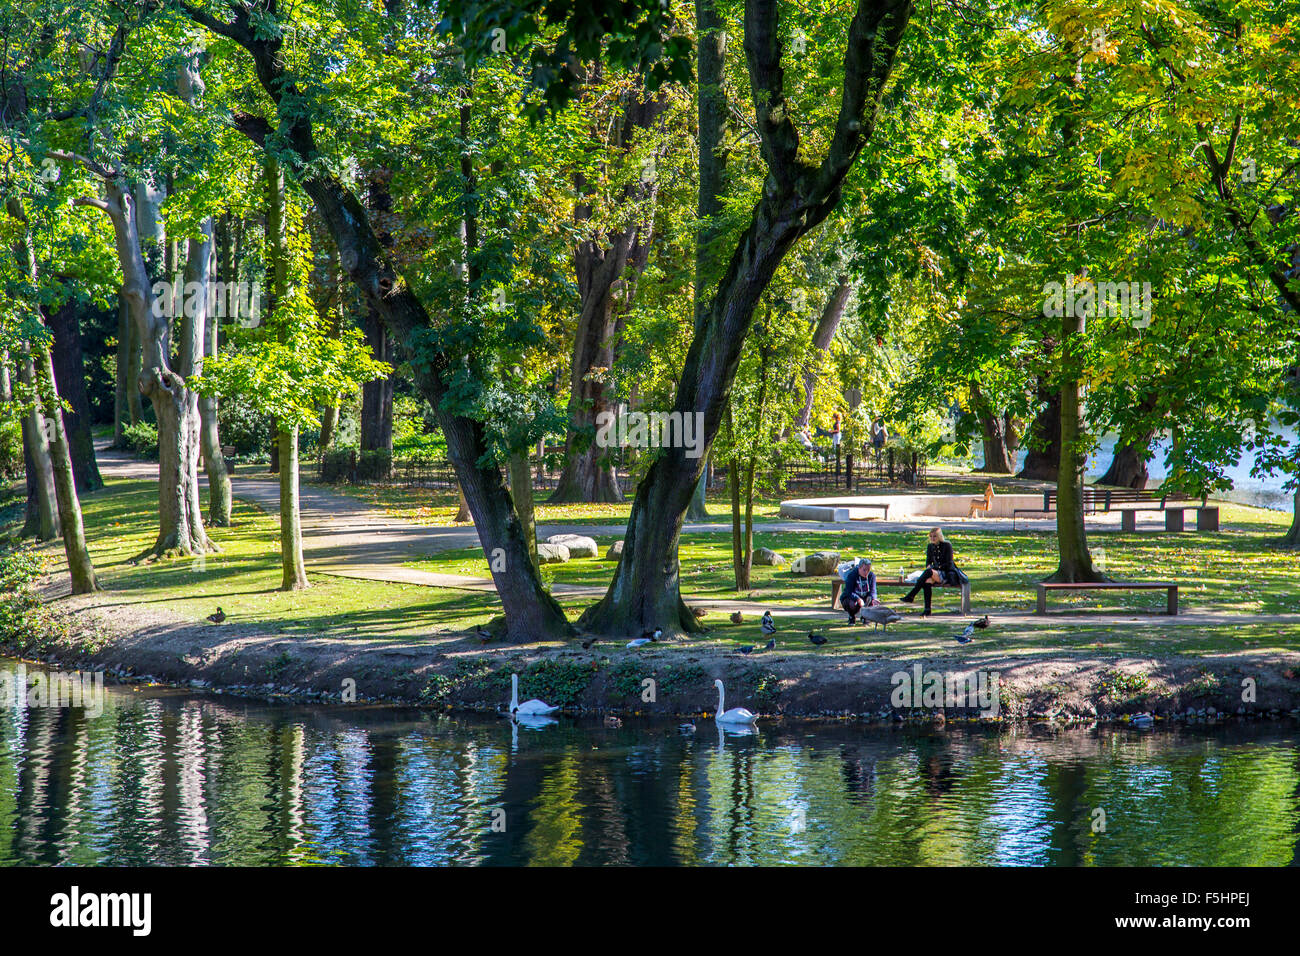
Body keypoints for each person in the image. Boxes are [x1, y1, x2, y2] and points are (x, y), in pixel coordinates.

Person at [901, 528, 960, 616]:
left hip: (946, 573)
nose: (932, 538)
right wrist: (930, 566)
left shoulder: (947, 545)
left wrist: (935, 568)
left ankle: (911, 595)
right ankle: (927, 609)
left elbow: (949, 563)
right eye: (931, 536)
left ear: (939, 536)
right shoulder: (930, 546)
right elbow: (928, 562)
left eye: (935, 536)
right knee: (927, 580)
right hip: (934, 573)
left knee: (928, 572)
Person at [839, 558, 878, 624]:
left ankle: (865, 617)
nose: (866, 572)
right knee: (852, 603)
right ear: (859, 568)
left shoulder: (872, 576)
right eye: (864, 570)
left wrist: (873, 598)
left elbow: (873, 590)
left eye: (868, 570)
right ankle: (851, 616)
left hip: (865, 597)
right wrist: (858, 599)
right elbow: (849, 592)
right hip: (853, 598)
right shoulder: (852, 575)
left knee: (873, 602)